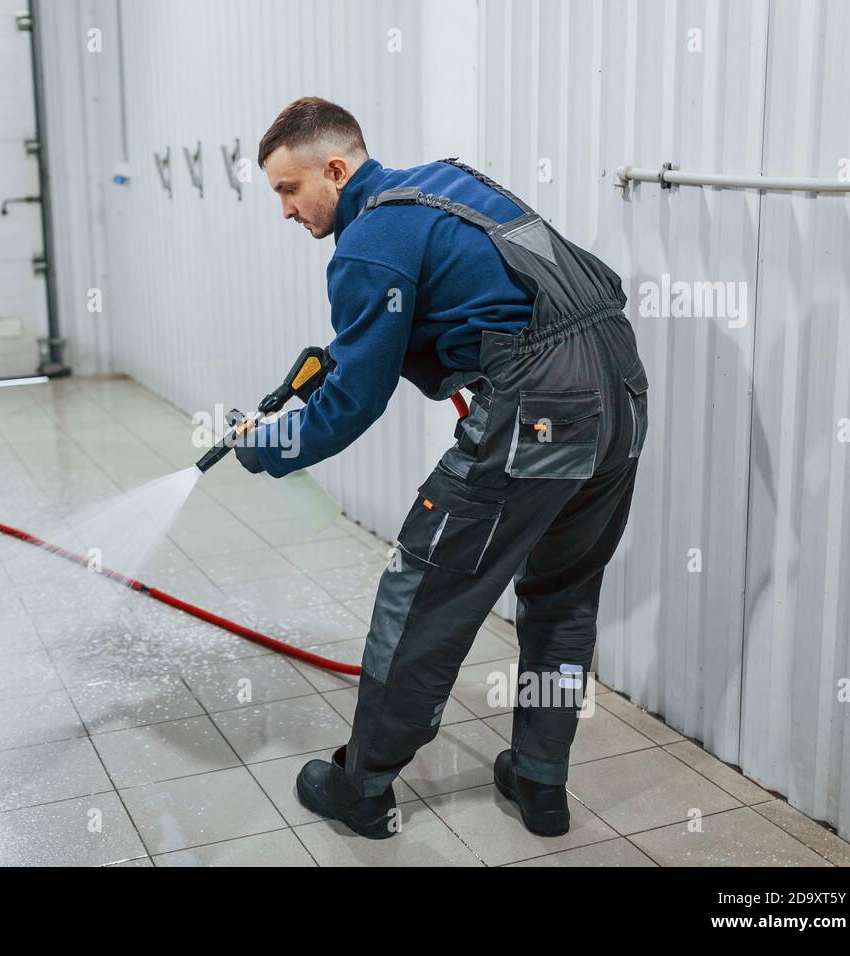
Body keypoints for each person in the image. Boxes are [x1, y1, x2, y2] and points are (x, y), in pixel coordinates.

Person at [237, 97, 649, 839]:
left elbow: (352, 407)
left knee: (424, 593)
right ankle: (541, 779)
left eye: (289, 190)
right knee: (561, 595)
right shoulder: (446, 181)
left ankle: (361, 785)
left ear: (336, 169)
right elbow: (505, 298)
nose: (286, 211)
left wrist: (267, 447)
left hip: (544, 410)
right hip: (622, 395)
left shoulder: (367, 244)